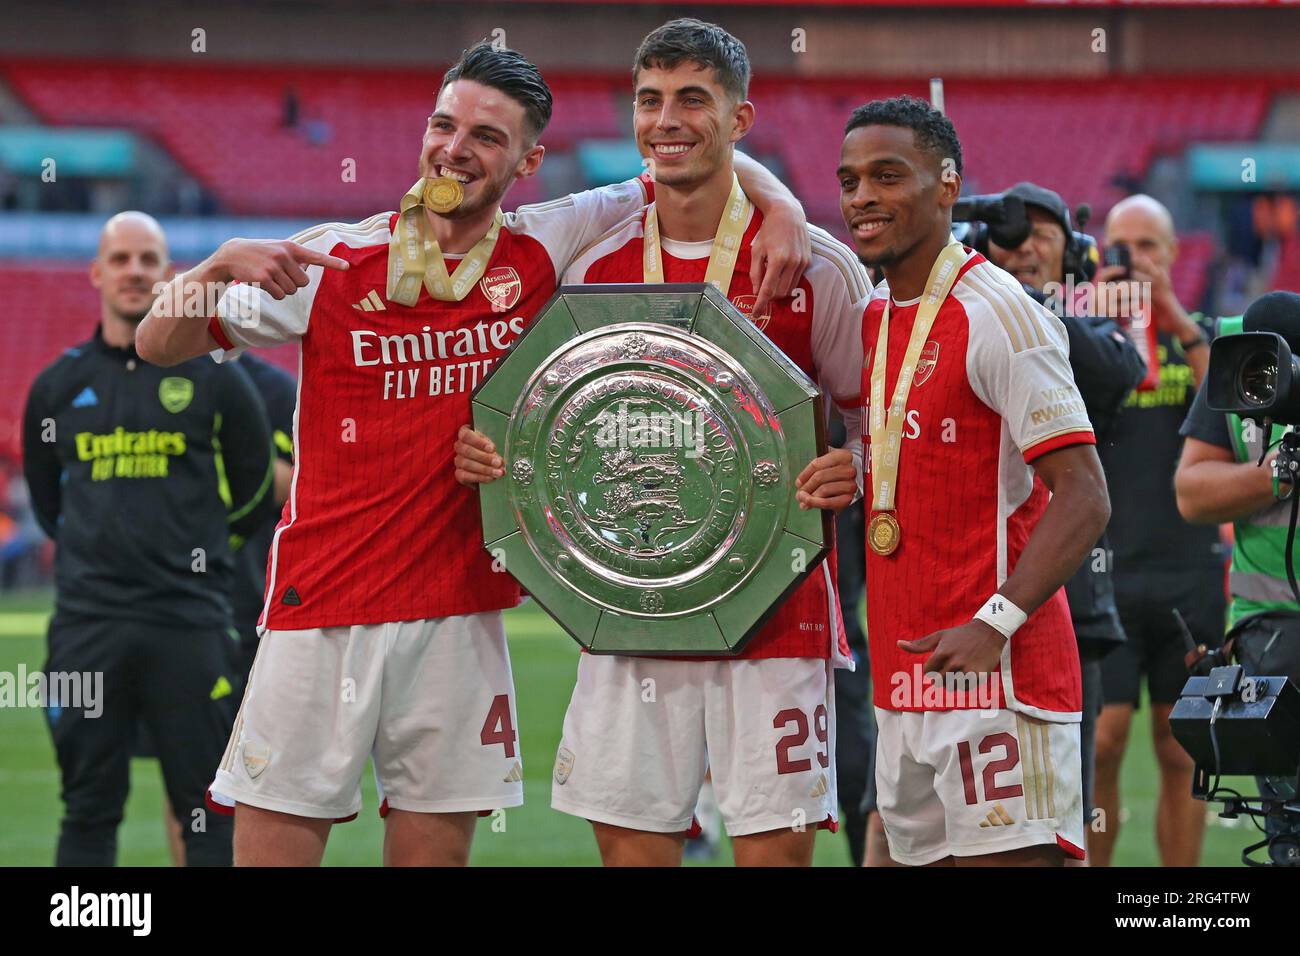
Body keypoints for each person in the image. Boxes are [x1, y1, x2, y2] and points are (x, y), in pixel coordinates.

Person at [135, 41, 810, 867]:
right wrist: (213, 264)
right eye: (444, 125)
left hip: (459, 614)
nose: (455, 148)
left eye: (487, 137)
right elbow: (157, 342)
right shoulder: (334, 261)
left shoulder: (548, 243)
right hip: (321, 612)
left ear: (528, 161)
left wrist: (784, 209)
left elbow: (685, 162)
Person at [456, 18, 867, 868]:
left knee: (774, 854)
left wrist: (856, 462)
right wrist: (492, 453)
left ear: (740, 119)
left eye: (693, 100)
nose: (666, 119)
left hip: (774, 608)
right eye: (650, 101)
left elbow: (874, 414)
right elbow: (542, 411)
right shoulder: (588, 259)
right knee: (633, 852)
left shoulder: (813, 264)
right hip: (627, 604)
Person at [841, 96, 1111, 865]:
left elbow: (1086, 494)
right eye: (851, 179)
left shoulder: (1001, 314)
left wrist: (995, 622)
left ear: (947, 186)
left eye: (888, 176)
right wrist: (853, 470)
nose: (862, 196)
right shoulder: (876, 314)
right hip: (906, 677)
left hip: (997, 680)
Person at [22, 211, 276, 866]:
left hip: (189, 624)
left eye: (148, 260)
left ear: (168, 274)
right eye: (121, 259)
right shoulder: (58, 385)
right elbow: (50, 506)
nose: (135, 271)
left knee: (205, 812)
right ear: (97, 273)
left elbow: (252, 492)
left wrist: (201, 553)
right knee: (87, 809)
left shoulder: (217, 377)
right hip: (87, 627)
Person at [985, 181, 1146, 860]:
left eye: (1041, 238)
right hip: (969, 584)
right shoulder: (963, 312)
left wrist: (1011, 301)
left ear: (1073, 256)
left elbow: (1122, 368)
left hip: (1067, 595)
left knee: (1061, 809)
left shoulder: (1091, 325)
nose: (1024, 250)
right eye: (1011, 238)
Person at [1089, 194, 1224, 867]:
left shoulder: (1200, 334)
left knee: (1182, 746)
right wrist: (1091, 318)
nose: (1135, 261)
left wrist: (1176, 322)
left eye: (1148, 247)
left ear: (1174, 256)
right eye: (1122, 247)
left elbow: (1233, 415)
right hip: (1106, 569)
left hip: (1189, 570)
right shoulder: (1088, 336)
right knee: (1103, 739)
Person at [1175, 292, 1300, 866]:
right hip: (1270, 644)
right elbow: (1192, 491)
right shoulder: (1243, 351)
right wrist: (1279, 472)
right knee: (1289, 841)